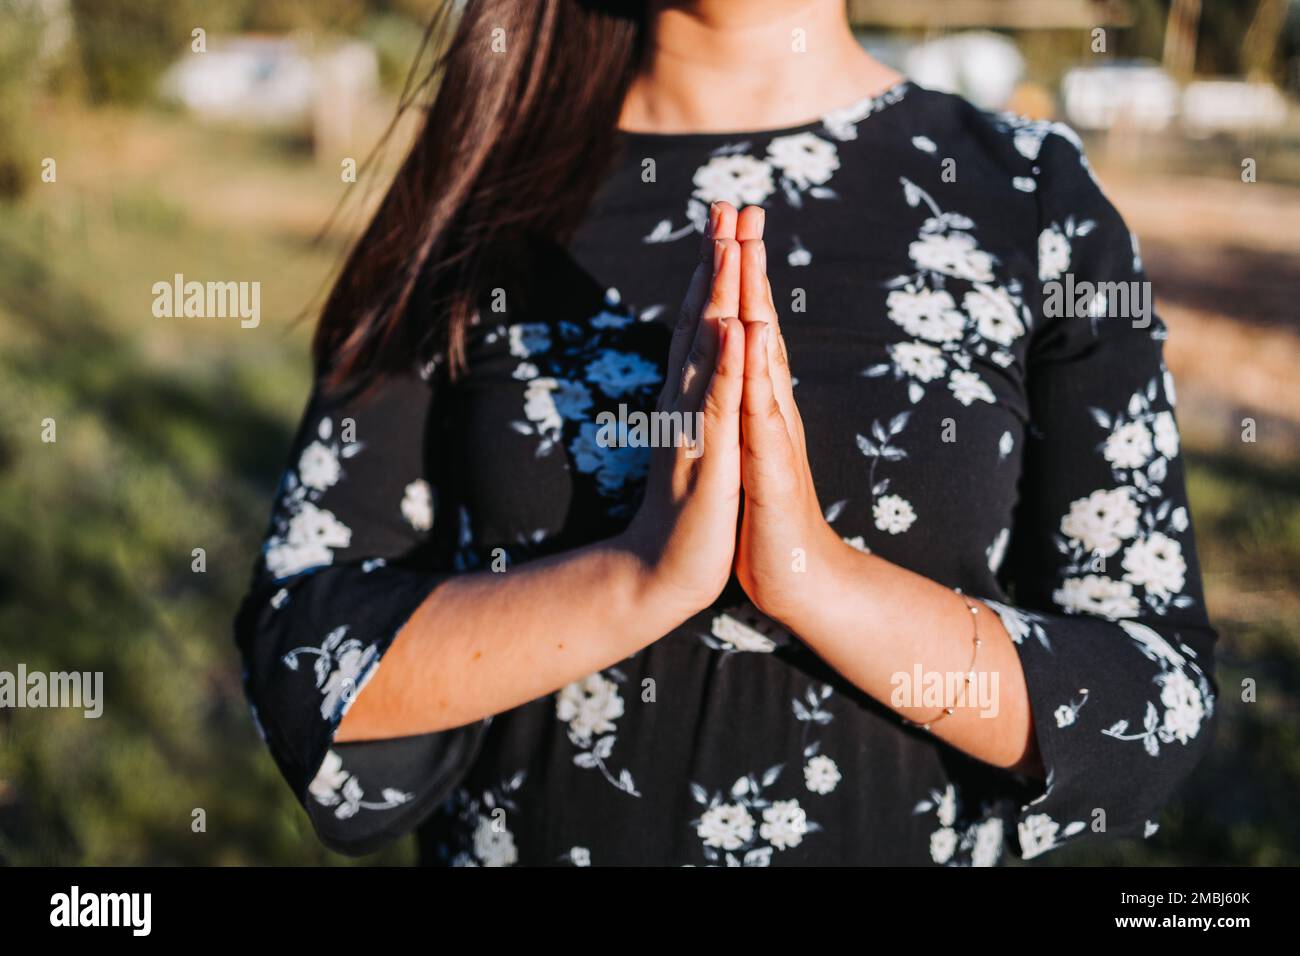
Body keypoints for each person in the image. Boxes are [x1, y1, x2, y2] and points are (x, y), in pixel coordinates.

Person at [234, 0, 1216, 866]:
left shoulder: (1032, 199)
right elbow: (303, 662)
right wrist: (635, 579)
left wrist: (819, 581)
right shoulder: (477, 191)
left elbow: (1152, 698)